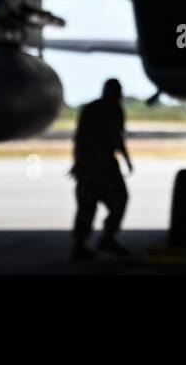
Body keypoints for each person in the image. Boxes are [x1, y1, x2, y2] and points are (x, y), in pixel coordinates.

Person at [70, 78, 134, 261]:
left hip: (89, 164)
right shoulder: (115, 110)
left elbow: (79, 138)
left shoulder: (91, 108)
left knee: (86, 206)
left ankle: (81, 244)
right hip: (103, 165)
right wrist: (127, 160)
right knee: (119, 200)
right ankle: (106, 238)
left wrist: (77, 162)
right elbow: (117, 138)